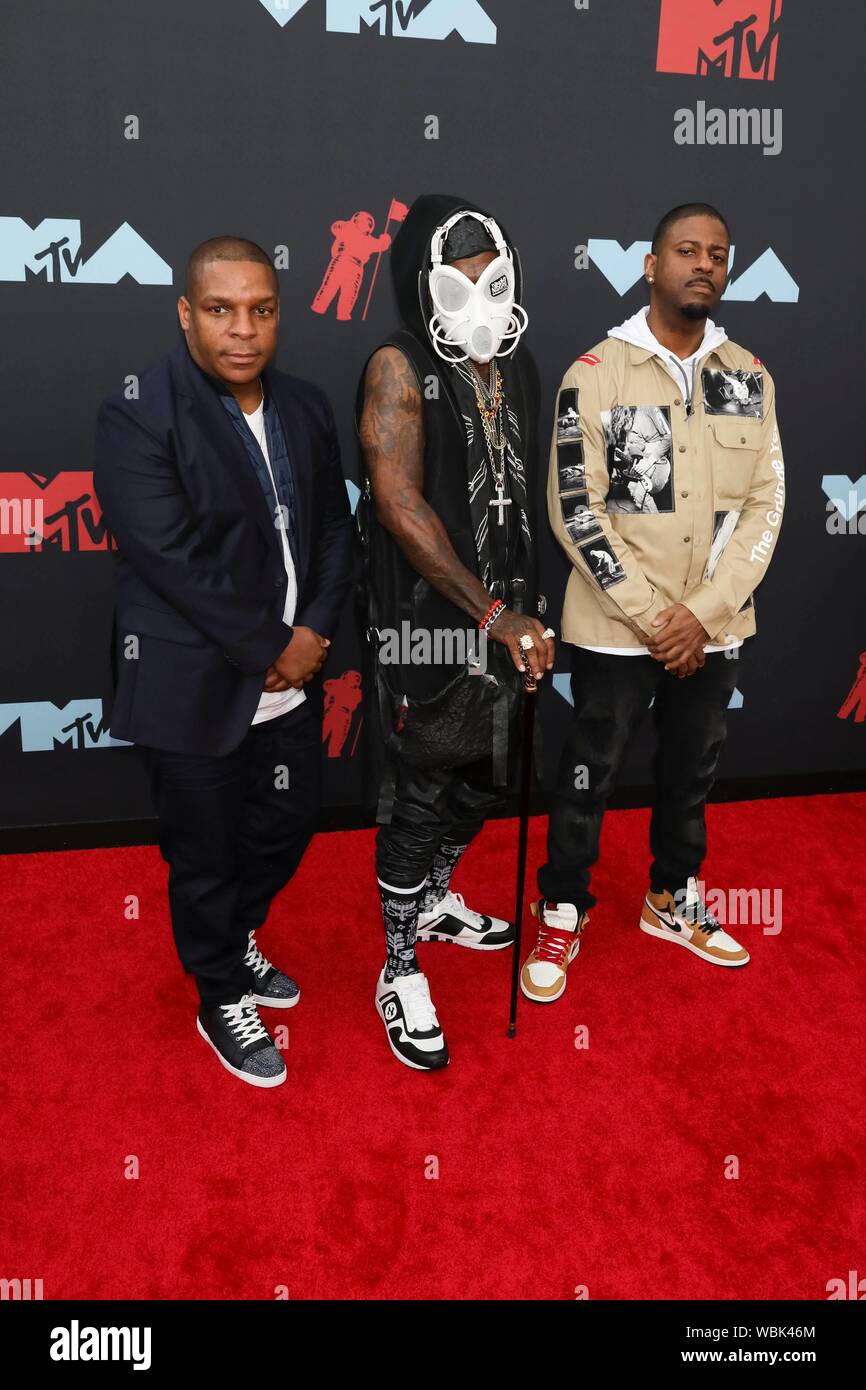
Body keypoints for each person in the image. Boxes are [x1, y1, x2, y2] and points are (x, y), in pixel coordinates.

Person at [94, 236, 353, 1086]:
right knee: (203, 854)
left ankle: (235, 940)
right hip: (194, 681)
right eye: (220, 310)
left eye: (261, 310)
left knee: (285, 825)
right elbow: (169, 559)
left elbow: (330, 532)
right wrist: (273, 644)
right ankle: (216, 993)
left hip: (292, 677)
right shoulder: (140, 410)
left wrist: (311, 631)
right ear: (185, 312)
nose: (243, 330)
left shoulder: (307, 407)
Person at [521, 203, 785, 1004]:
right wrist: (653, 616)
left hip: (714, 628)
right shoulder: (596, 374)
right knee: (586, 773)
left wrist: (702, 615)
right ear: (650, 265)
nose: (703, 264)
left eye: (718, 254)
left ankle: (672, 896)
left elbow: (765, 504)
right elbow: (575, 508)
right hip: (613, 628)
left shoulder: (749, 375)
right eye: (686, 251)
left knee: (692, 769)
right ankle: (563, 904)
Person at [356, 195, 553, 1069]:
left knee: (486, 783)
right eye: (456, 282)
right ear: (419, 285)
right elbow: (399, 506)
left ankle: (434, 899)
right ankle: (398, 969)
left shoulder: (524, 363)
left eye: (493, 280)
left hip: (506, 629)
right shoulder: (398, 367)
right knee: (420, 794)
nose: (479, 299)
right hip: (430, 634)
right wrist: (489, 613)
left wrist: (524, 614)